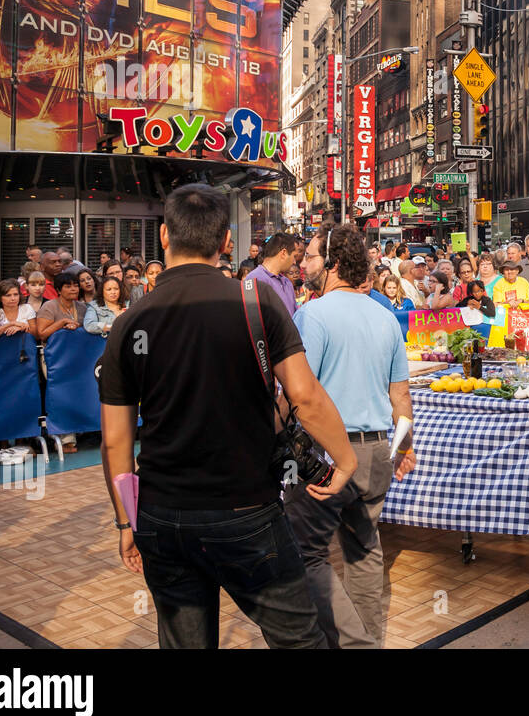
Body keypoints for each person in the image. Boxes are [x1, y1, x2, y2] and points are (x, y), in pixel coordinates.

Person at [98, 183, 356, 649]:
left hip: (162, 515)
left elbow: (116, 442)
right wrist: (345, 460)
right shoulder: (256, 302)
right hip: (247, 512)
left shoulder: (129, 324)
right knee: (299, 639)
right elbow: (305, 396)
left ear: (163, 237)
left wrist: (125, 522)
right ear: (226, 243)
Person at [282, 223, 416, 648]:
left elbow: (298, 393)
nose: (303, 263)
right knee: (363, 549)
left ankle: (355, 641)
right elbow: (401, 396)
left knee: (306, 553)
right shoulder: (384, 317)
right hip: (377, 449)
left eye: (312, 256)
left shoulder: (312, 315)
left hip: (326, 454)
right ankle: (367, 641)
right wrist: (403, 446)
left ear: (334, 263)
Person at [245, 233, 299, 316]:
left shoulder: (286, 282)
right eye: (294, 256)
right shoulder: (255, 279)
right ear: (283, 253)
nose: (294, 262)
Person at [34, 272, 87, 341]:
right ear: (58, 290)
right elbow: (42, 335)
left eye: (76, 286)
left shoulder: (82, 307)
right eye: (68, 286)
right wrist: (63, 322)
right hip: (56, 348)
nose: (73, 289)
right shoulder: (49, 307)